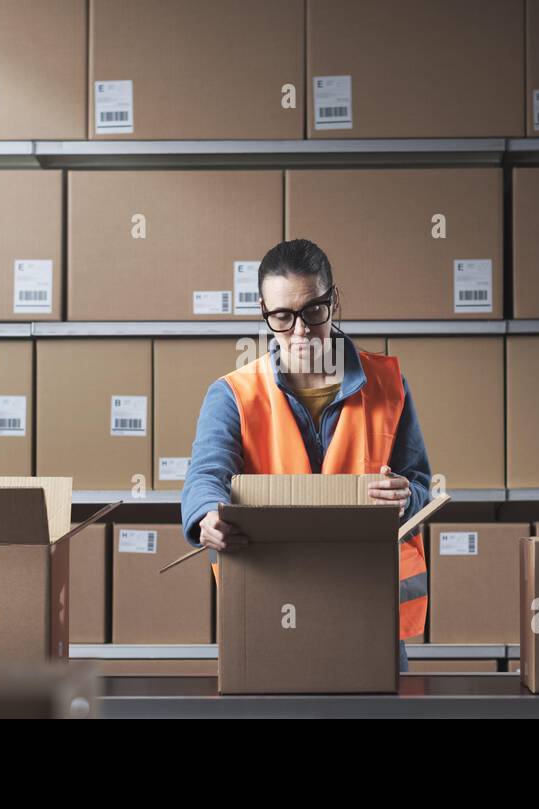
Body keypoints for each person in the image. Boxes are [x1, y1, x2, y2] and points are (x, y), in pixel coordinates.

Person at [181, 238, 433, 672]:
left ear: (333, 300)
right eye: (282, 316)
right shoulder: (233, 395)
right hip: (275, 604)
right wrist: (206, 515)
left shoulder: (389, 384)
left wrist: (405, 497)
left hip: (368, 604)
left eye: (313, 311)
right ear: (263, 310)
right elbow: (206, 474)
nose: (299, 332)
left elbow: (421, 485)